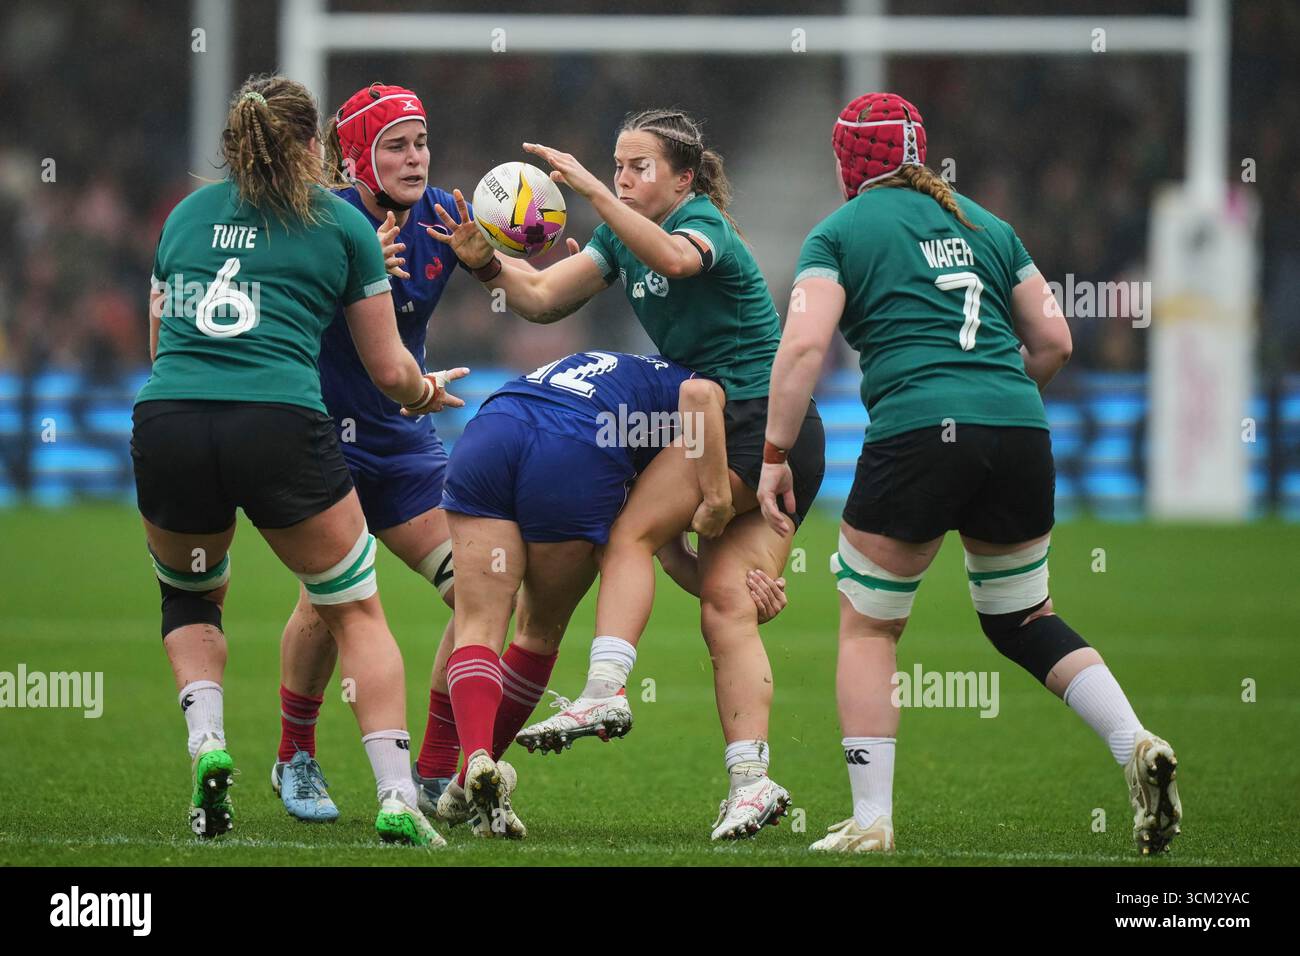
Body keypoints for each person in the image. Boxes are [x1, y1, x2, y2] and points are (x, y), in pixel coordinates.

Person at [756, 92, 1182, 855]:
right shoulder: (985, 223)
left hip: (918, 430)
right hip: (1018, 428)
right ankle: (1136, 744)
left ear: (851, 161)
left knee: (871, 626)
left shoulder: (839, 232)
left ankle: (873, 818)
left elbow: (801, 351)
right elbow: (1054, 338)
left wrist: (775, 456)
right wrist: (995, 401)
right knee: (1025, 618)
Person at [429, 109, 825, 840]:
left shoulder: (705, 224)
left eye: (639, 166)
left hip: (754, 424)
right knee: (727, 607)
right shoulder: (619, 235)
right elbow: (544, 300)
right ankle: (752, 782)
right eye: (615, 165)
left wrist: (590, 191)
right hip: (712, 426)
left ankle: (605, 691)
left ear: (685, 177)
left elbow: (677, 260)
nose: (622, 177)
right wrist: (484, 264)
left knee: (628, 536)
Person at [132, 73, 460, 847]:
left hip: (171, 421)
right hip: (279, 425)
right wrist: (424, 392)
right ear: (317, 148)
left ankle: (210, 745)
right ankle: (394, 795)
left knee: (190, 601)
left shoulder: (183, 216)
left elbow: (157, 346)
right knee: (352, 609)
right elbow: (389, 373)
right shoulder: (336, 226)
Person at [268, 83, 577, 823]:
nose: (414, 158)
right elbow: (269, 303)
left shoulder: (444, 214)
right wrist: (338, 265)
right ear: (357, 156)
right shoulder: (322, 220)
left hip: (403, 443)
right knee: (331, 599)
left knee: (482, 592)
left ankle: (439, 771)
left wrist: (493, 265)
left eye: (421, 141)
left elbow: (533, 295)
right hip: (319, 441)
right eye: (395, 145)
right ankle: (294, 757)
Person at [428, 348, 790, 837]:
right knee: (536, 631)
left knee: (477, 620)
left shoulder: (631, 366)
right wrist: (742, 590)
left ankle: (467, 763)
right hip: (574, 444)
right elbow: (654, 547)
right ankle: (469, 772)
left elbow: (665, 551)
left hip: (495, 422)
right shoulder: (706, 400)